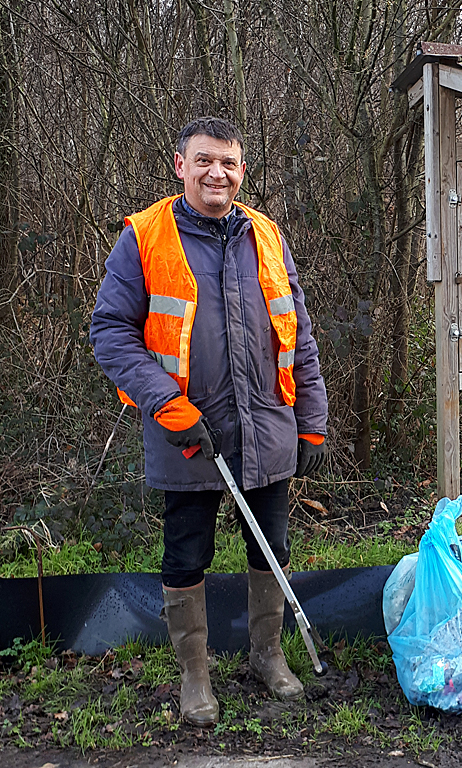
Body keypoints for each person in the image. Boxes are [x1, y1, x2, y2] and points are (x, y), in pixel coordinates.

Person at [90, 117, 329, 725]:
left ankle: (267, 655)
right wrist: (168, 405)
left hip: (267, 428)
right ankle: (195, 676)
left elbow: (297, 337)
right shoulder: (144, 237)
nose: (216, 172)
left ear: (241, 170)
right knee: (185, 554)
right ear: (180, 165)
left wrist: (313, 421)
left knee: (270, 546)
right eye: (204, 161)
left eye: (228, 162)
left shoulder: (268, 236)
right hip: (187, 434)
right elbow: (110, 334)